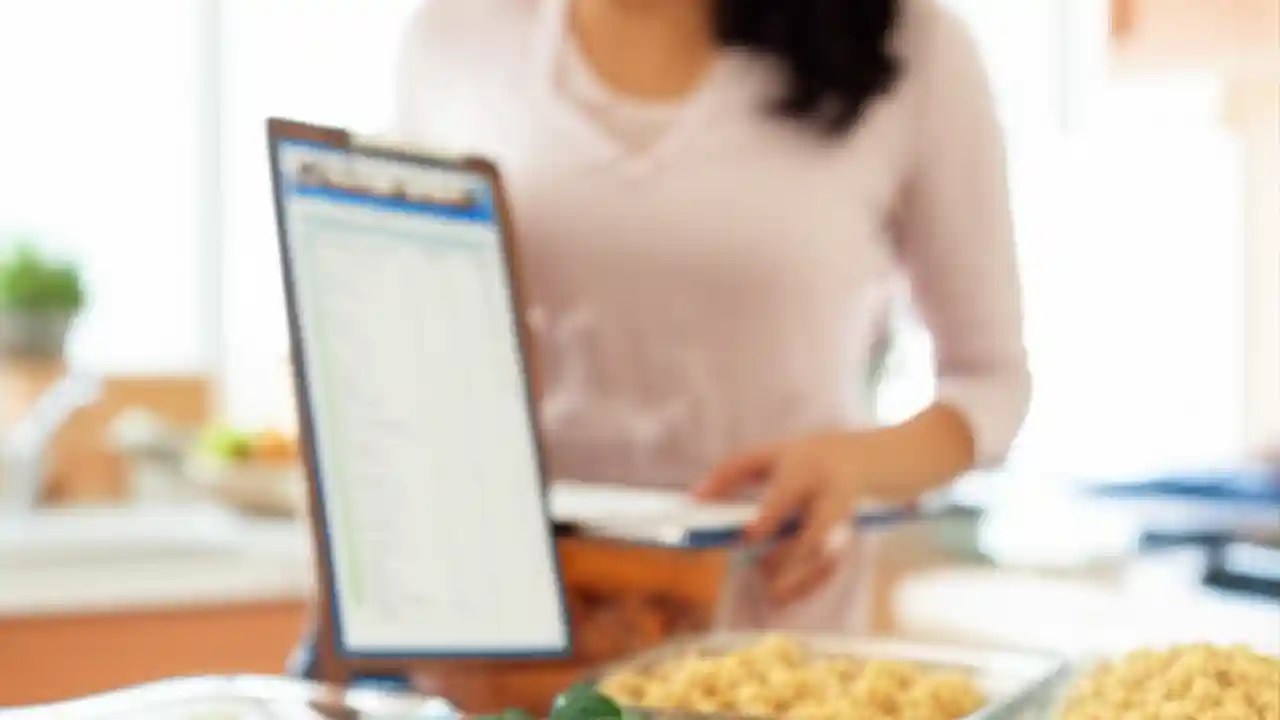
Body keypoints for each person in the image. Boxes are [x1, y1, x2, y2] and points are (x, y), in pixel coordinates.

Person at [394, 0, 1030, 631]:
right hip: (517, 637)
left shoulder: (915, 48)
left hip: (772, 644)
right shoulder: (452, 37)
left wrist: (856, 464)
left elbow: (991, 383)